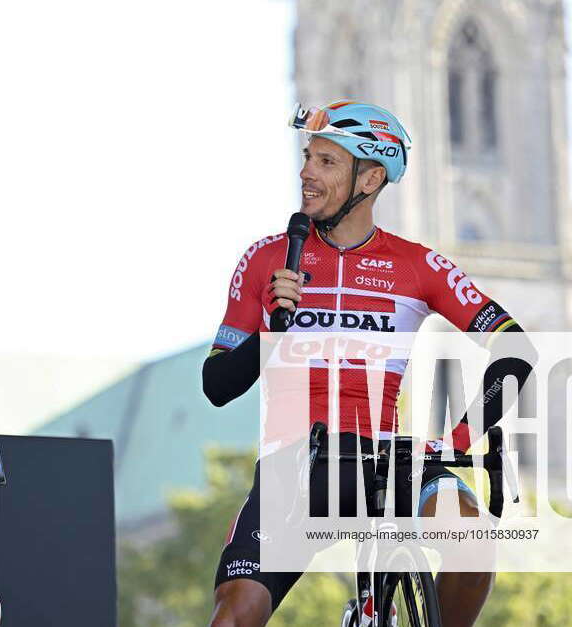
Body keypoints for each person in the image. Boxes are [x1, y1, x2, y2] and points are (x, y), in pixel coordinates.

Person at [202, 101, 533, 627]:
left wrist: (460, 439)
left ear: (371, 177)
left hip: (390, 459)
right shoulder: (266, 259)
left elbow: (516, 349)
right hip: (297, 465)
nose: (307, 171)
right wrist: (273, 328)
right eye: (308, 156)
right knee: (233, 616)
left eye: (327, 161)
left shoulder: (417, 263)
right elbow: (216, 385)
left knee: (473, 543)